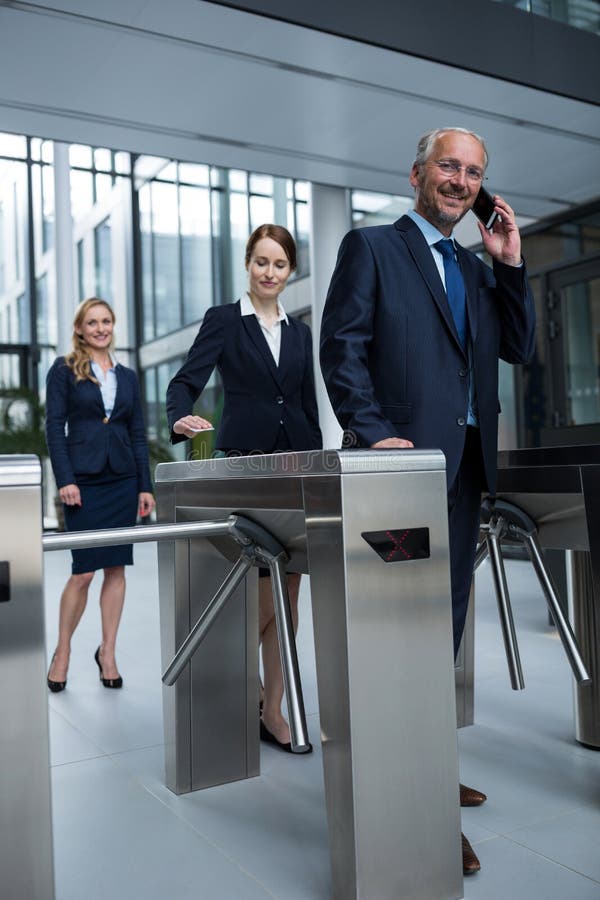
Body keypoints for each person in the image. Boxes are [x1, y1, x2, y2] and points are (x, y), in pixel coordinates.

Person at [320, 127, 536, 874]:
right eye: (450, 165)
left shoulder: (479, 272)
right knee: (393, 639)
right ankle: (404, 801)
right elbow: (341, 346)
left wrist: (510, 265)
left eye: (474, 172)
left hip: (463, 476)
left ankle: (426, 773)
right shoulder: (373, 248)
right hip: (397, 478)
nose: (461, 180)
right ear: (417, 172)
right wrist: (374, 437)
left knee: (436, 636)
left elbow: (521, 348)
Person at [166, 223, 322, 753]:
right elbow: (186, 379)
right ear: (248, 264)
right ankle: (247, 688)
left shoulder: (300, 332)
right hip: (246, 467)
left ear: (290, 271)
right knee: (259, 594)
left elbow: (303, 404)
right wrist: (180, 417)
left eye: (279, 264)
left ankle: (273, 709)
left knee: (290, 594)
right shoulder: (224, 321)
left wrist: (318, 467)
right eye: (261, 262)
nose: (269, 273)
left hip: (295, 468)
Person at [45, 298, 155, 692]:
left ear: (113, 325)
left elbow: (137, 432)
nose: (100, 328)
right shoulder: (63, 370)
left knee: (116, 568)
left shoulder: (127, 377)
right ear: (80, 328)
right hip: (83, 482)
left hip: (123, 480)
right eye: (92, 322)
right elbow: (54, 428)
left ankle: (107, 652)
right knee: (83, 571)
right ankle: (63, 651)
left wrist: (145, 485)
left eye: (106, 321)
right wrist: (65, 479)